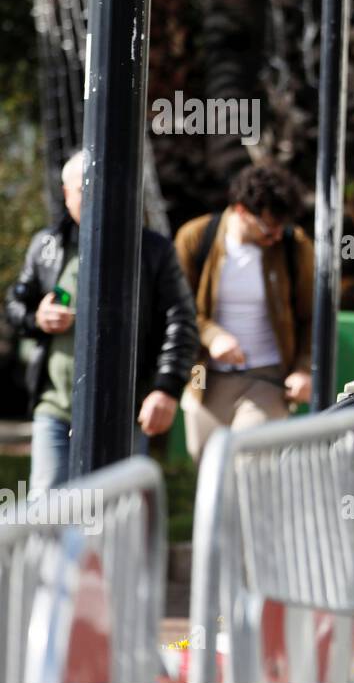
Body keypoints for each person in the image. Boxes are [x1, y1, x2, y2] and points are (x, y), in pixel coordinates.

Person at [4, 151, 198, 491]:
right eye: (84, 190)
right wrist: (37, 317)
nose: (94, 199)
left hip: (122, 410)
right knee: (46, 516)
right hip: (55, 408)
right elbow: (14, 306)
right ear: (67, 194)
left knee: (114, 513)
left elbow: (181, 322)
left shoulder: (152, 250)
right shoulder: (47, 246)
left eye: (101, 189)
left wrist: (166, 388)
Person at [174, 163, 314, 461]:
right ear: (240, 211)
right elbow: (178, 309)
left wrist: (303, 368)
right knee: (208, 466)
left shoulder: (294, 246)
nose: (276, 236)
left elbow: (310, 316)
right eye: (268, 228)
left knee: (248, 464)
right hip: (205, 377)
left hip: (266, 376)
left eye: (281, 228)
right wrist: (212, 336)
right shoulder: (195, 238)